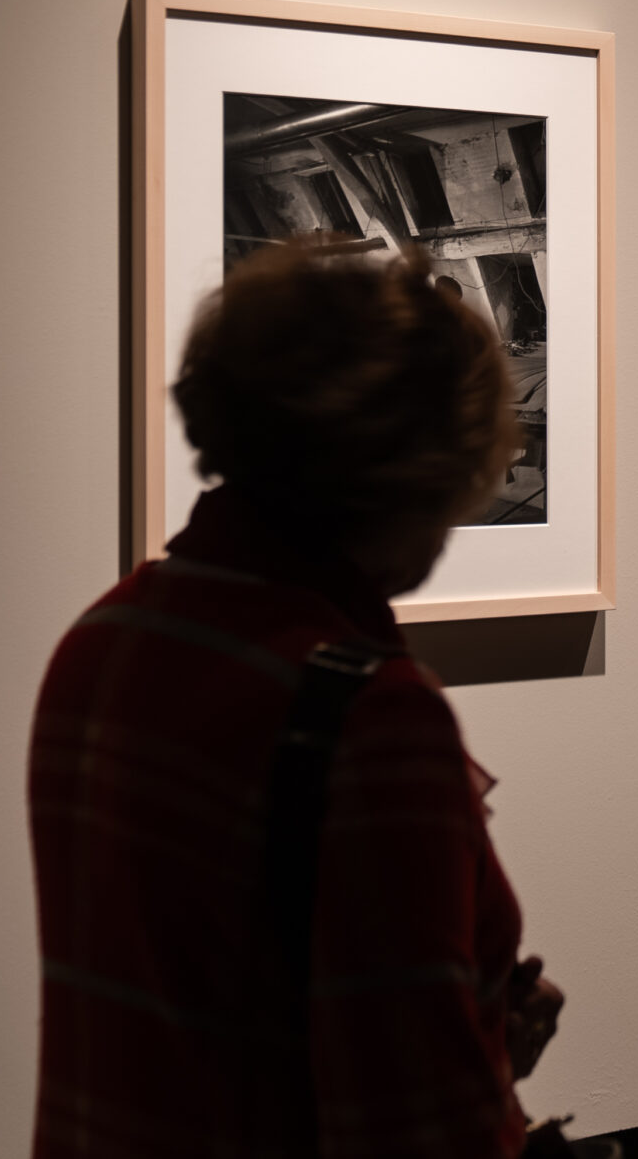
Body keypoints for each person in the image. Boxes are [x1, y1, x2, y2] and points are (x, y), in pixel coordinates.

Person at [29, 236, 566, 1158]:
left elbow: (200, 995)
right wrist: (478, 1066)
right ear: (410, 473)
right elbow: (416, 1133)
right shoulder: (368, 714)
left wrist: (475, 1039)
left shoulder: (103, 637)